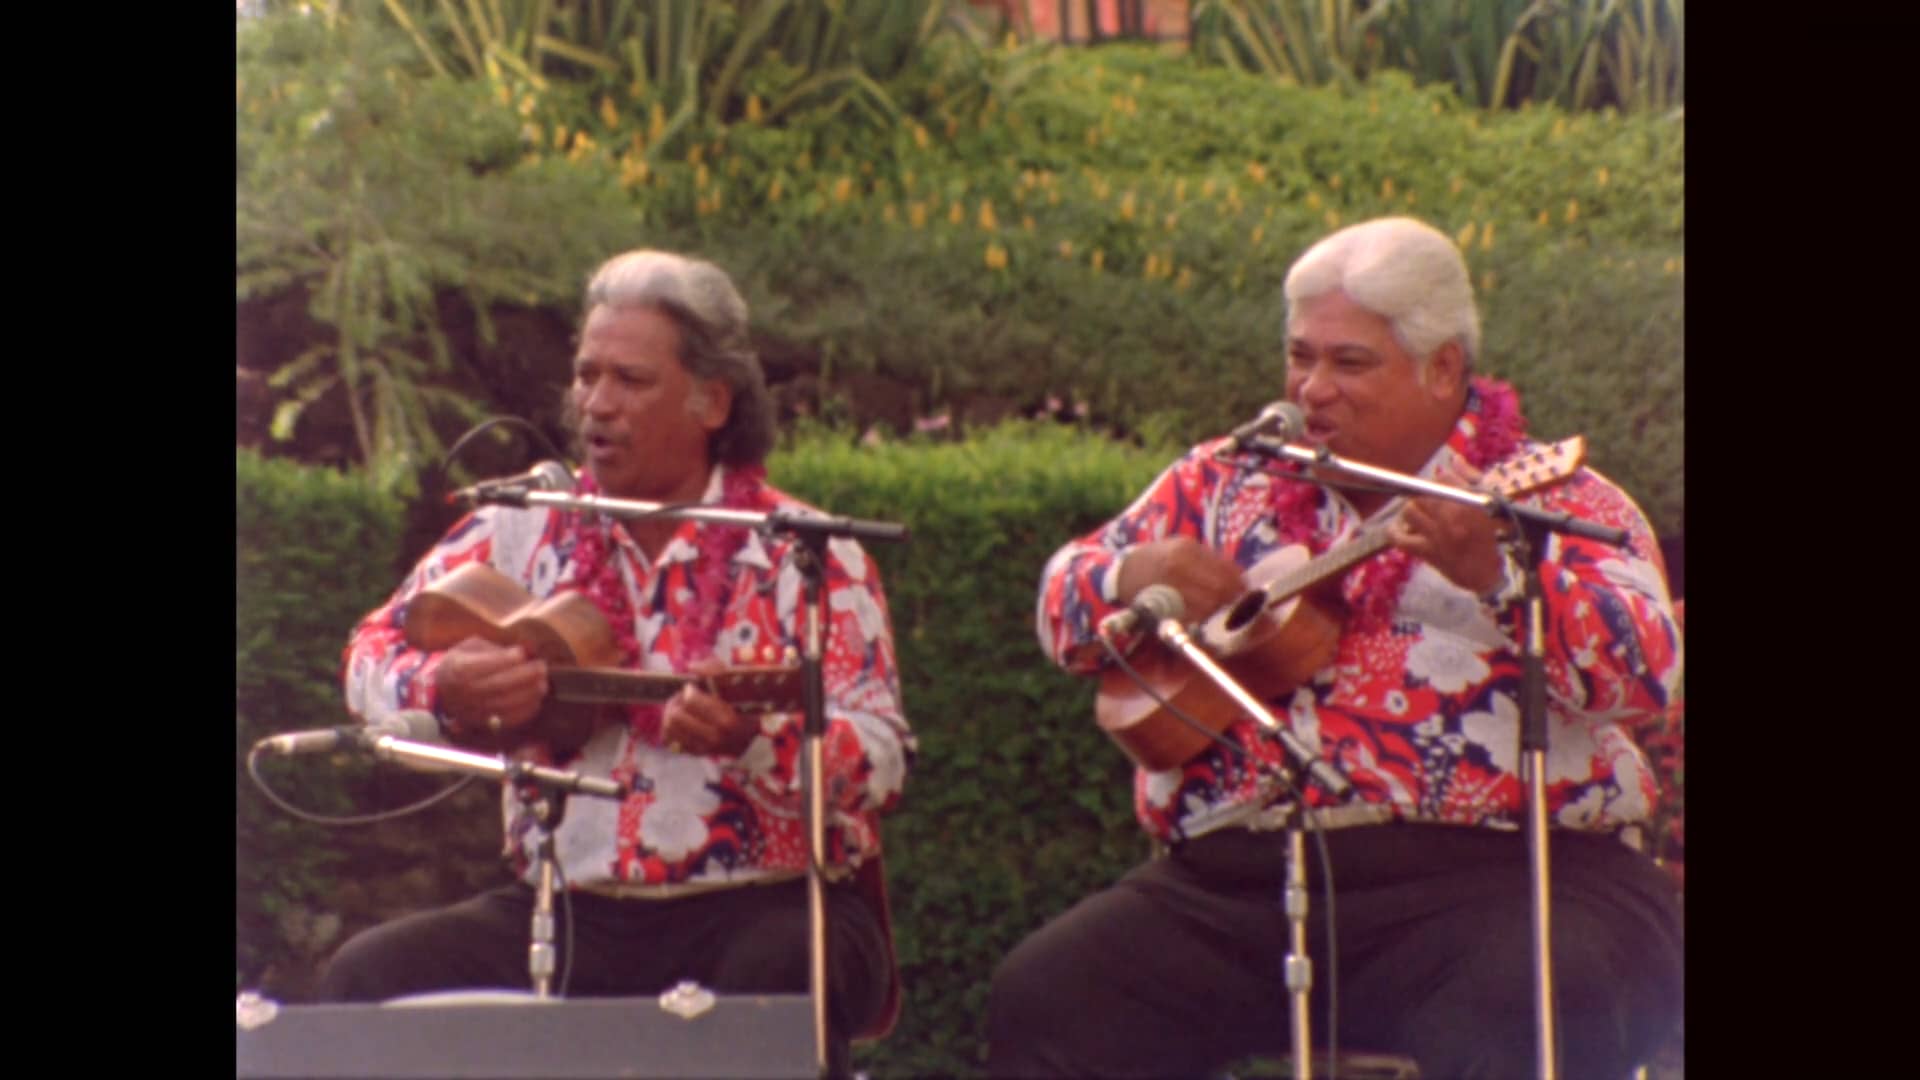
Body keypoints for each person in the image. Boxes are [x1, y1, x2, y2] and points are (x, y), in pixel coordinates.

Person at [990, 217, 1682, 1079]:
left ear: (1443, 369)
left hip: (1516, 877)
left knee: (1528, 1004)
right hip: (1245, 880)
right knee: (1050, 997)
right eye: (1300, 357)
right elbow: (1063, 599)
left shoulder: (1557, 497)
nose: (1314, 389)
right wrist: (1137, 571)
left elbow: (1647, 674)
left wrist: (1500, 576)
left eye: (1349, 363)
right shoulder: (1223, 482)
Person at [318, 249, 915, 1072]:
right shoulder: (522, 528)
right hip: (561, 908)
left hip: (762, 906)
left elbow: (880, 759)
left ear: (712, 399)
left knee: (772, 981)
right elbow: (367, 653)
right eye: (585, 375)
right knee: (367, 980)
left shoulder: (804, 554)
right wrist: (444, 686)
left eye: (629, 381)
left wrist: (754, 741)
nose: (596, 404)